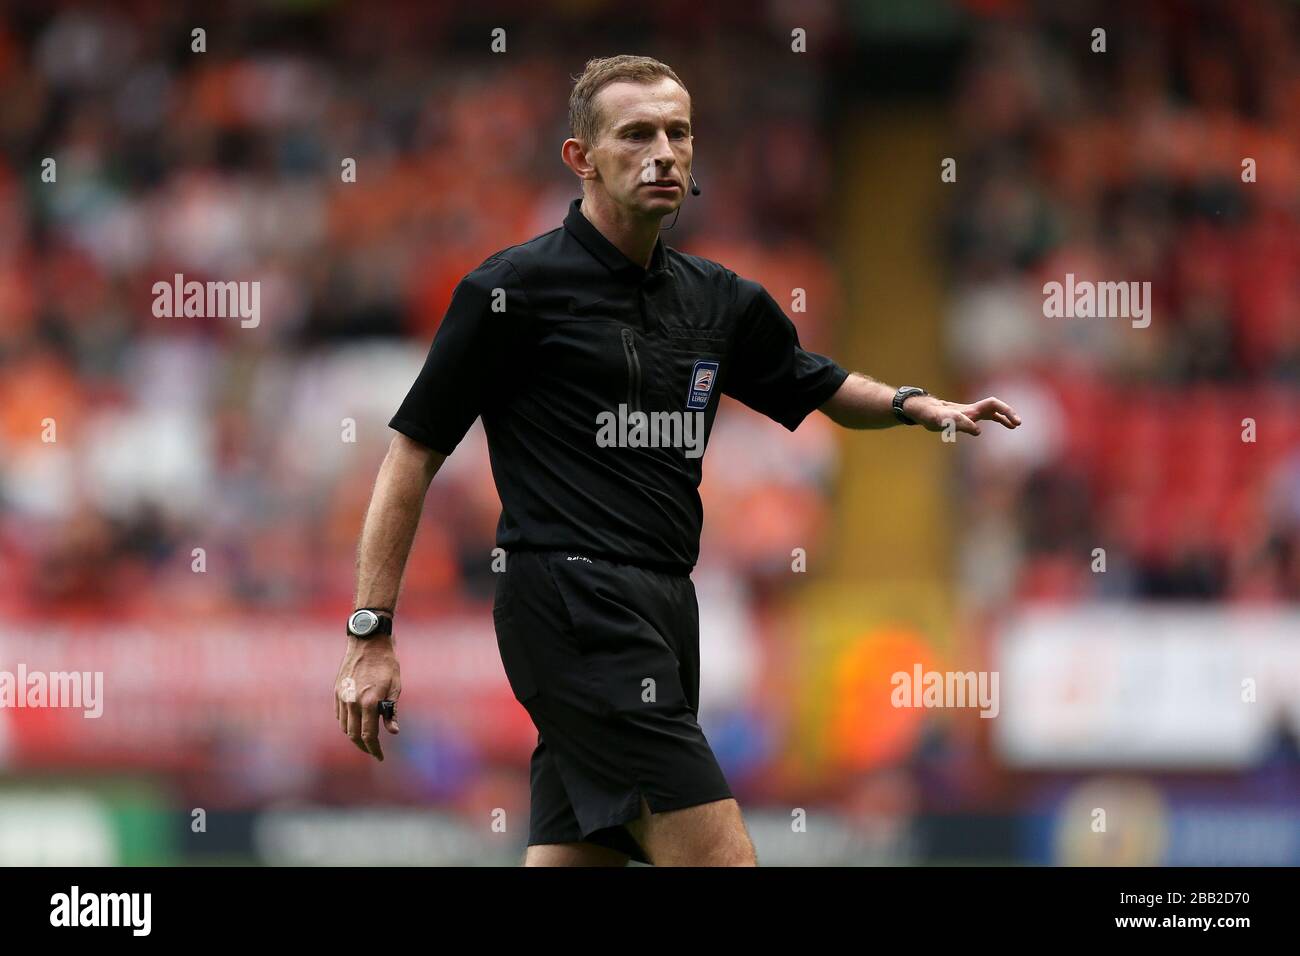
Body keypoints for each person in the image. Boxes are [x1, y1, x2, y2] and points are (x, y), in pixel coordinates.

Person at [333, 54, 1021, 867]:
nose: (664, 151)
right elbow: (412, 453)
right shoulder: (509, 292)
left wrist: (916, 406)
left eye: (678, 131)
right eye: (636, 134)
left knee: (579, 852)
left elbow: (813, 384)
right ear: (581, 158)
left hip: (664, 607)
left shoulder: (719, 300)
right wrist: (371, 630)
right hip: (572, 600)